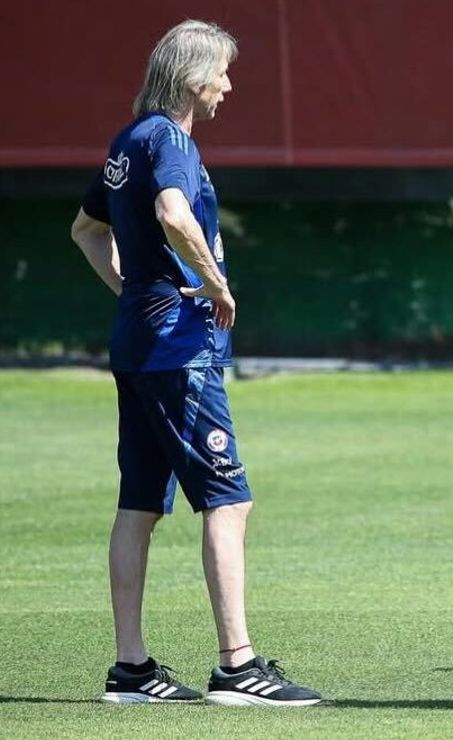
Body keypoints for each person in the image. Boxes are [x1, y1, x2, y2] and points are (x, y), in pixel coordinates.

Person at [70, 20, 321, 706]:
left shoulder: (129, 140)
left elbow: (85, 230)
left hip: (138, 342)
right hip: (180, 350)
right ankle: (237, 667)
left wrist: (134, 291)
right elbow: (174, 213)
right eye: (222, 73)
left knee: (139, 504)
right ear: (191, 78)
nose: (228, 86)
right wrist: (215, 284)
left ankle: (131, 671)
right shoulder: (170, 140)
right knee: (229, 499)